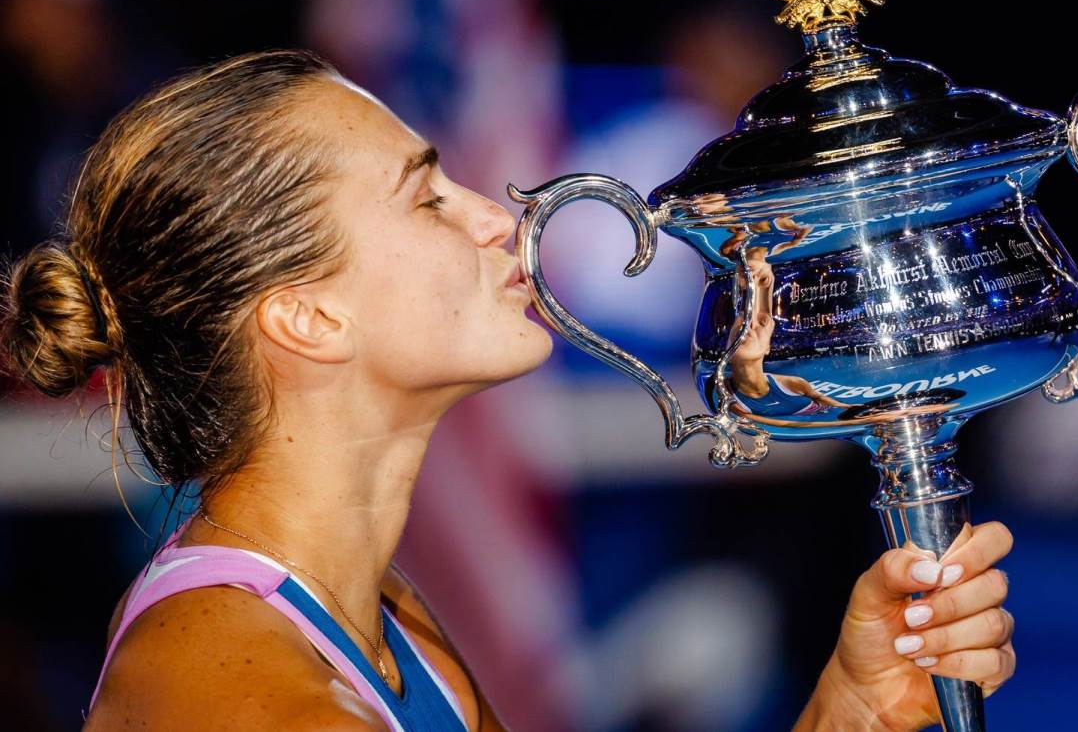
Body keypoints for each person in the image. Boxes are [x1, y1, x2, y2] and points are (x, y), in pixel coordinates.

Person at [0, 50, 1015, 731]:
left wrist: (852, 705)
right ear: (307, 316)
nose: (497, 215)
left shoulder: (379, 616)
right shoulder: (236, 692)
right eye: (428, 196)